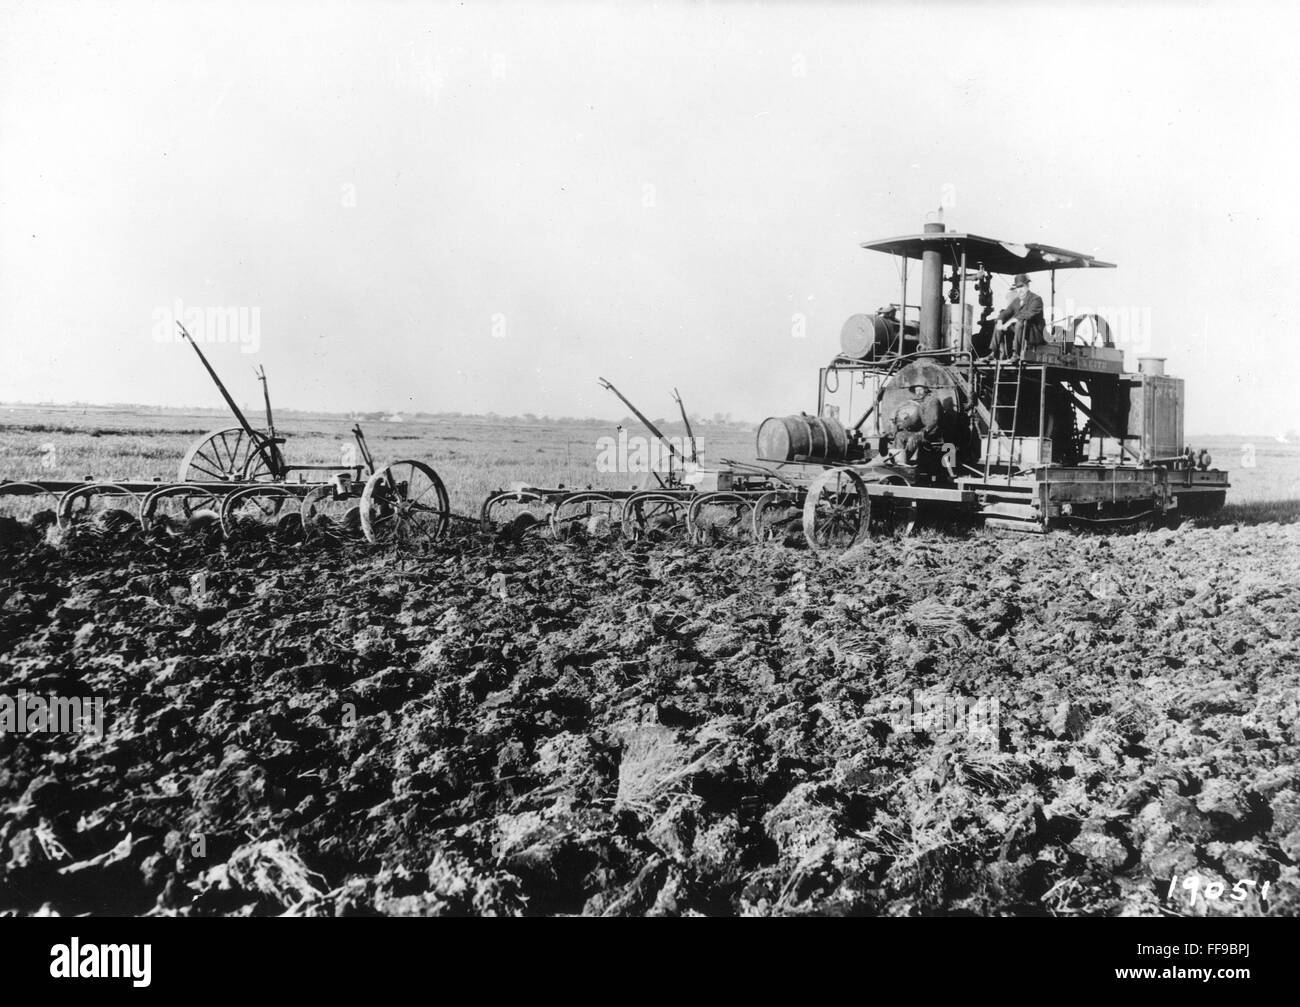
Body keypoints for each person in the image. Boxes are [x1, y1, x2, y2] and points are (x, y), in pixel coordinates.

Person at [982, 274, 1044, 361]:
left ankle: (1016, 354)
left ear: (1027, 285)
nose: (1020, 290)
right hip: (1020, 330)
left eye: (1022, 286)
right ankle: (993, 353)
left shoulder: (1036, 299)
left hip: (1033, 333)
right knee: (999, 324)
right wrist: (1000, 321)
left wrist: (1009, 322)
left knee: (1020, 323)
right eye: (1018, 287)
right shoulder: (1017, 301)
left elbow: (1028, 315)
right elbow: (1006, 312)